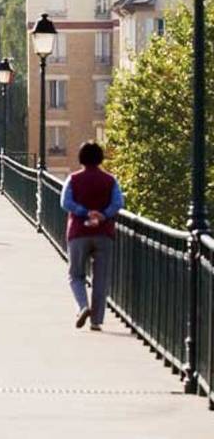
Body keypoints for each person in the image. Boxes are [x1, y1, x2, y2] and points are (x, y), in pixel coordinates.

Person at [60, 141, 124, 331]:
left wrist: (84, 212)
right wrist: (102, 215)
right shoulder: (110, 180)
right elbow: (118, 203)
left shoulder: (73, 179)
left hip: (79, 232)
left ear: (81, 158)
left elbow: (65, 202)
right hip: (104, 233)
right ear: (100, 158)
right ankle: (96, 321)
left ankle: (82, 306)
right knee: (101, 279)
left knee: (76, 274)